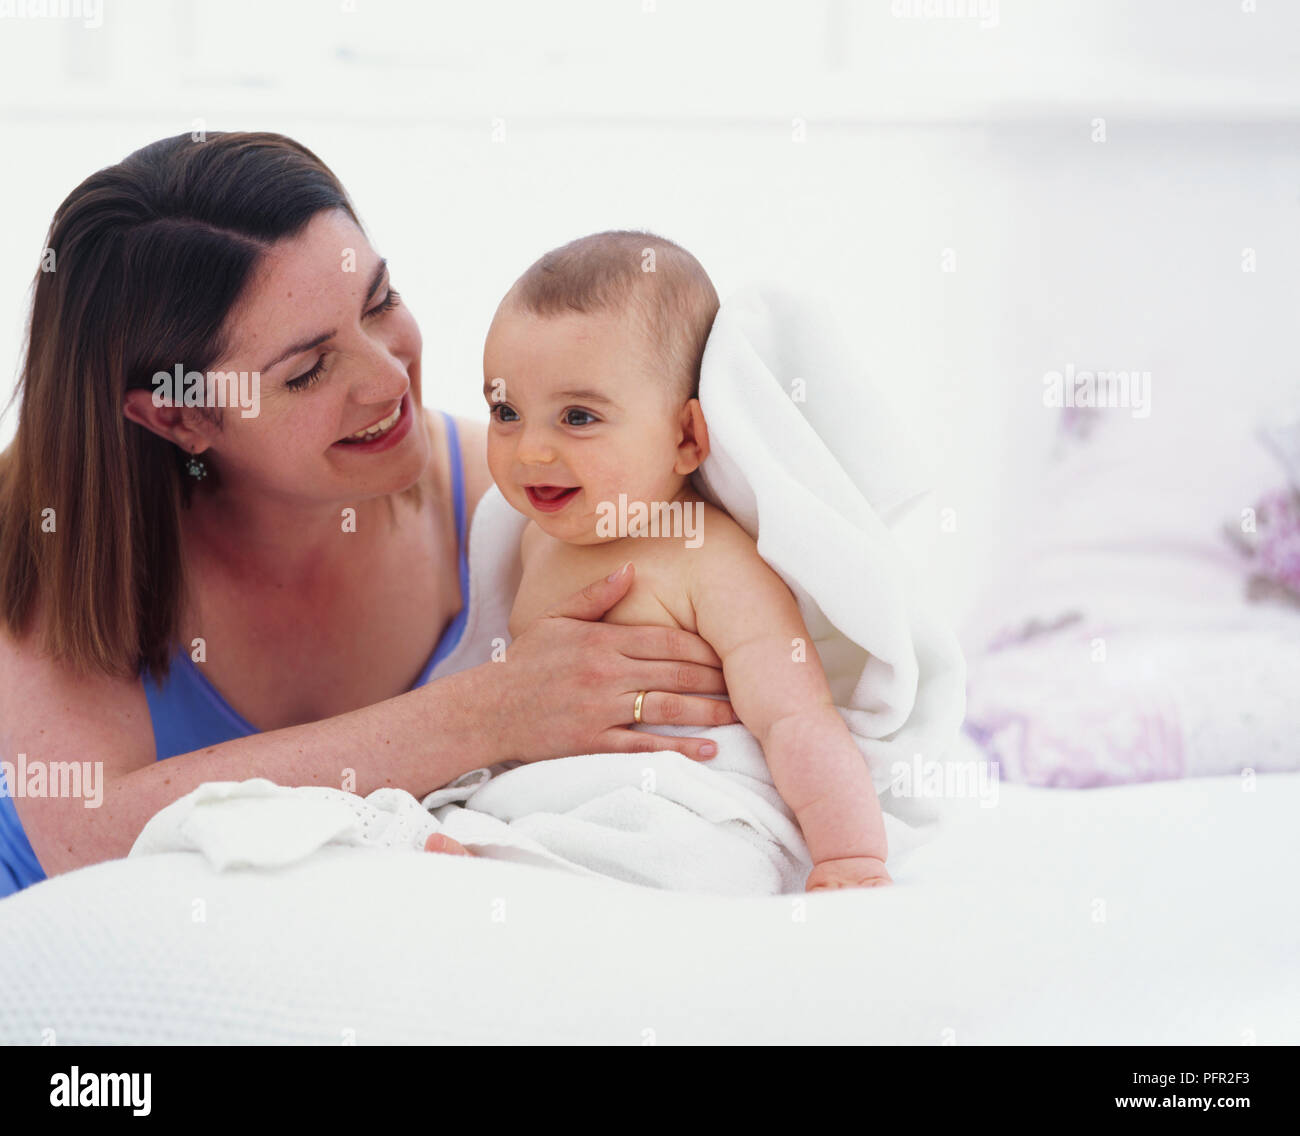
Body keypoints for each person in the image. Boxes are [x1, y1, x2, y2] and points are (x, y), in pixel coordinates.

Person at [0, 132, 736, 899]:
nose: (391, 378)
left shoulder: (528, 500)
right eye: (309, 369)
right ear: (181, 418)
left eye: (379, 301)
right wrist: (490, 711)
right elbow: (88, 836)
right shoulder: (56, 536)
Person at [484, 231, 891, 890]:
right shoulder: (537, 539)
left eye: (578, 417)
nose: (529, 451)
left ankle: (537, 869)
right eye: (505, 410)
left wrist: (850, 856)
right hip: (553, 790)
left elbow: (795, 718)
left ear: (687, 436)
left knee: (702, 857)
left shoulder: (711, 560)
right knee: (461, 808)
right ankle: (501, 856)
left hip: (683, 797)